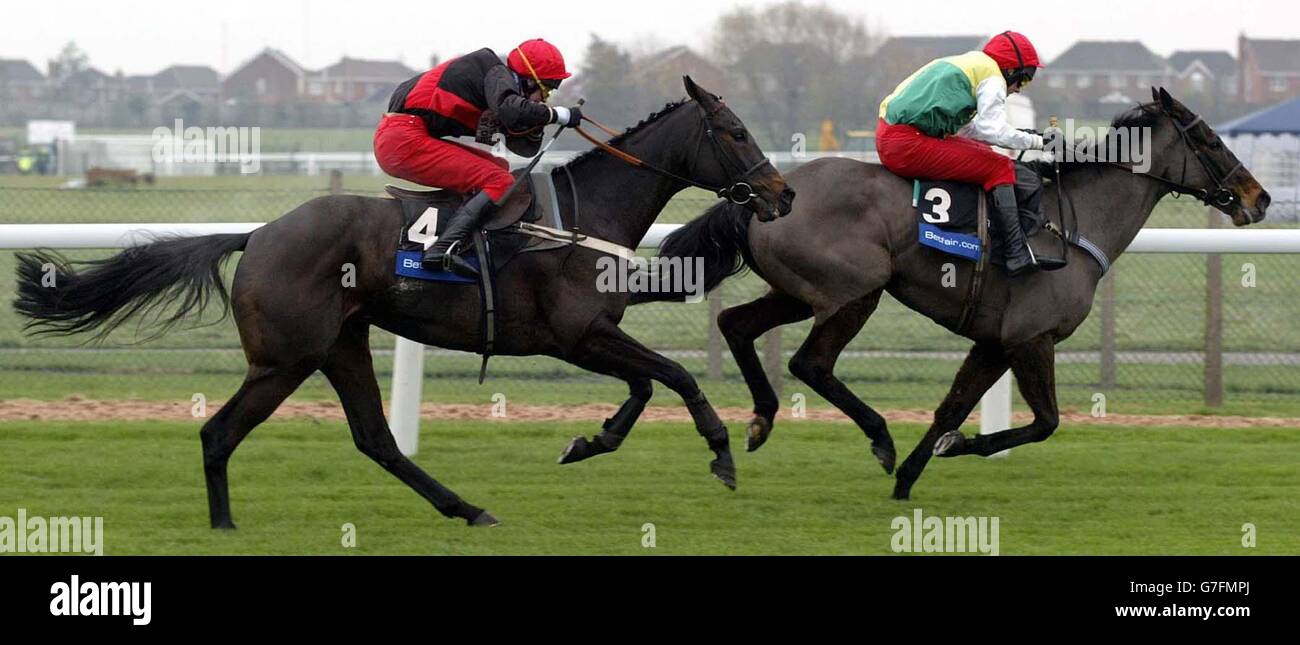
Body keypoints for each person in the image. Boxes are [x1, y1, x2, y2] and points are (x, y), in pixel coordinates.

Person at [375, 38, 584, 276]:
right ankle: (442, 249)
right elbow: (512, 109)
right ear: (528, 80)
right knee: (498, 180)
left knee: (500, 167)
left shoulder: (500, 91)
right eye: (546, 89)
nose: (545, 97)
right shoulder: (494, 72)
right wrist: (558, 114)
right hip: (401, 139)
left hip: (406, 135)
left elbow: (525, 148)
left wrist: (539, 120)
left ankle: (465, 239)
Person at [876, 31, 1059, 276]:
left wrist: (1024, 134)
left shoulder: (973, 65)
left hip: (898, 136)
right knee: (999, 167)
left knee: (986, 153)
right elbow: (991, 130)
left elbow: (968, 129)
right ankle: (1015, 252)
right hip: (906, 142)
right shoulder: (993, 78)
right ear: (1010, 69)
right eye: (1024, 78)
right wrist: (1040, 141)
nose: (1019, 89)